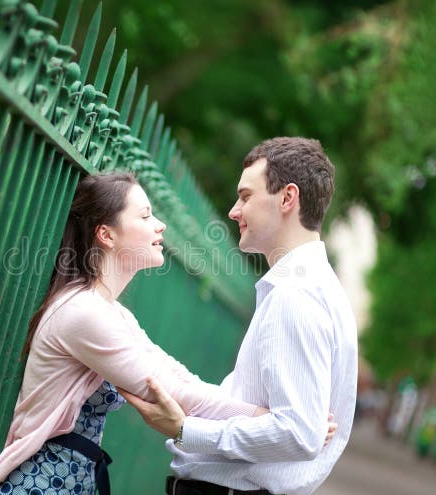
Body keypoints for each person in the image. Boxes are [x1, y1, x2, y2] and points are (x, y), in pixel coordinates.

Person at [0, 173, 335, 495]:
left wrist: (284, 419)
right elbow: (172, 392)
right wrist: (275, 421)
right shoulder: (83, 313)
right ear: (106, 234)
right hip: (40, 482)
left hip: (69, 480)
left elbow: (179, 376)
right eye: (145, 216)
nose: (160, 225)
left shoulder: (111, 313)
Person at [120, 137, 359, 495]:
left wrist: (186, 429)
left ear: (287, 198)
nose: (234, 210)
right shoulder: (313, 289)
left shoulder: (295, 295)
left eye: (246, 196)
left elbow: (298, 432)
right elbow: (295, 424)